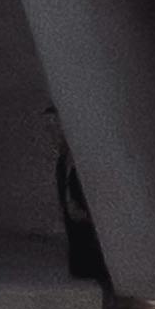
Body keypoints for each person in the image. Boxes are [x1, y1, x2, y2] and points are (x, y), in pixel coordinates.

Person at [55, 112, 109, 288]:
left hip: (92, 239)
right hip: (80, 241)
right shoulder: (63, 161)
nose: (53, 134)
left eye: (56, 127)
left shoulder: (85, 159)